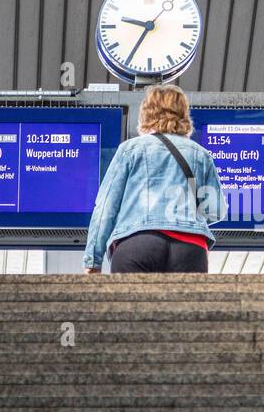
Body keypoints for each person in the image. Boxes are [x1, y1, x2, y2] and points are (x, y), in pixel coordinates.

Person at [83, 84, 225, 274]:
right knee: (187, 305)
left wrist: (93, 260)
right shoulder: (201, 155)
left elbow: (106, 208)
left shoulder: (130, 149)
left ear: (146, 113)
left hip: (137, 243)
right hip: (190, 247)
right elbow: (215, 210)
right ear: (183, 114)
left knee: (132, 304)